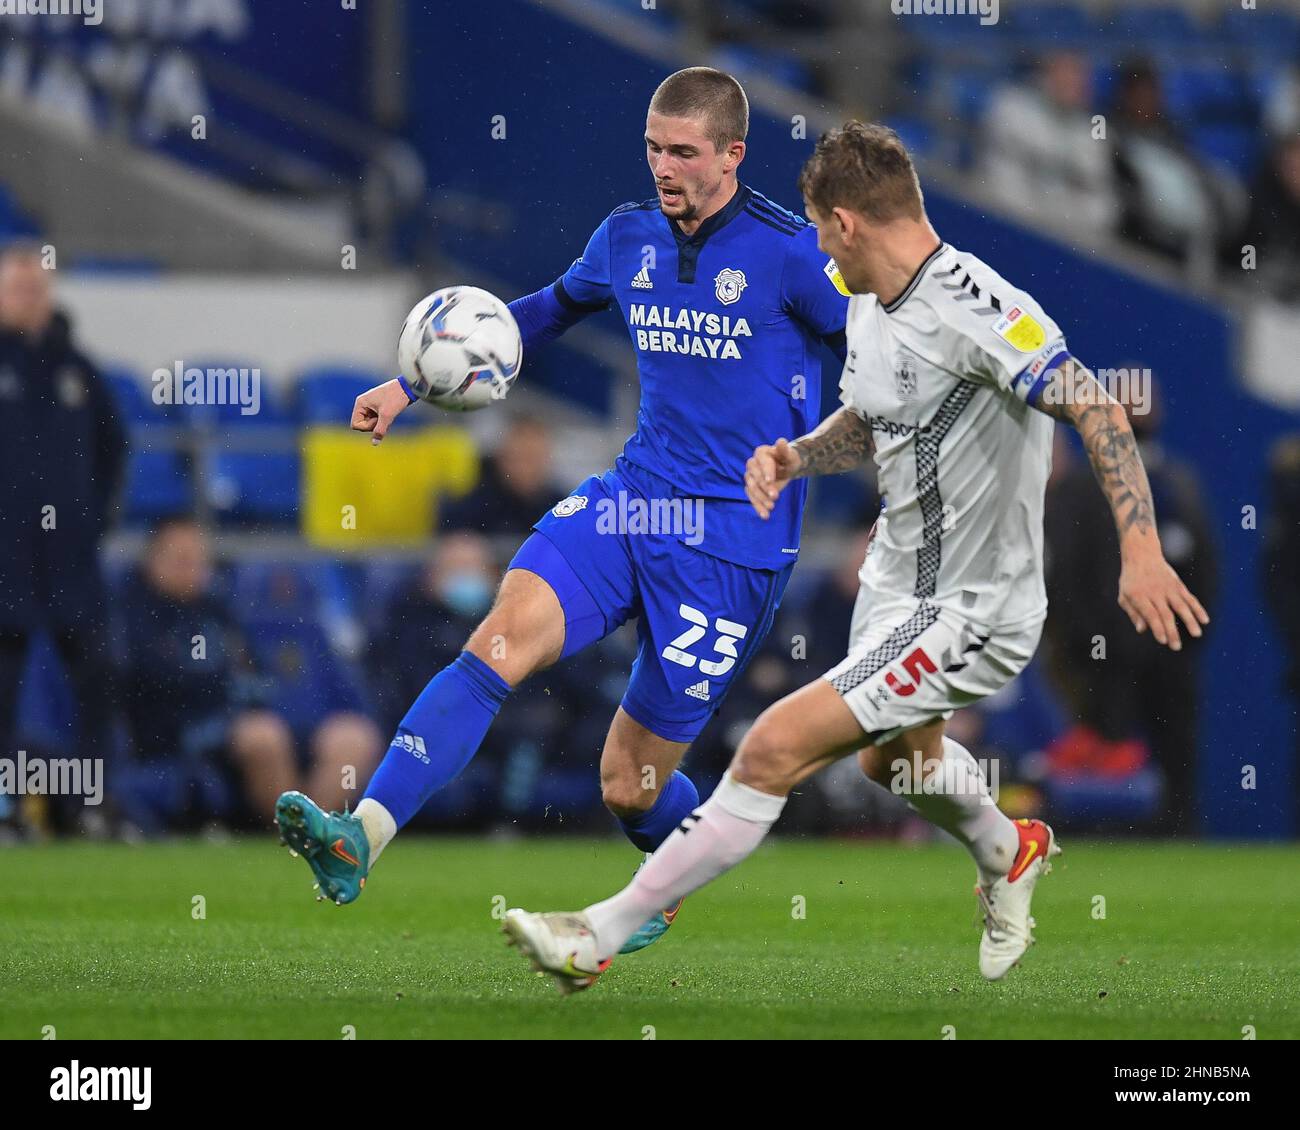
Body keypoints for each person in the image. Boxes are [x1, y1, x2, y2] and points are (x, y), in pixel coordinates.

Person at [502, 121, 1208, 993]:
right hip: (895, 586)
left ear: (845, 221)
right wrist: (800, 454)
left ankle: (599, 933)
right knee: (894, 762)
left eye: (816, 229)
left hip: (975, 607)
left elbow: (1098, 409)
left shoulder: (982, 311)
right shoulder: (870, 300)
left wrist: (1139, 550)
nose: (815, 252)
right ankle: (1007, 847)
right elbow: (874, 420)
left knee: (772, 745)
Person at [274, 67, 849, 957]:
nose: (663, 165)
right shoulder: (626, 237)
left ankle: (659, 882)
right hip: (630, 505)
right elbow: (543, 313)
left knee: (629, 784)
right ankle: (363, 835)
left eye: (685, 152)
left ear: (734, 155)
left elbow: (884, 371)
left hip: (730, 546)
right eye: (654, 147)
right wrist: (411, 383)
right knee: (498, 640)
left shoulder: (793, 257)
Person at [115, 518, 380, 834]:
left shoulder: (219, 612)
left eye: (197, 560)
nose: (190, 569)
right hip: (182, 731)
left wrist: (248, 696)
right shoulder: (132, 618)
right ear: (153, 561)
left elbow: (250, 673)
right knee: (264, 736)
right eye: (180, 559)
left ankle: (313, 836)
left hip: (238, 718)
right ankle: (289, 835)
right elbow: (152, 686)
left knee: (353, 737)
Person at [1042, 373, 1216, 833]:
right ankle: (1100, 854)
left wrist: (1186, 634)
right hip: (1103, 656)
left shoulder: (1177, 483)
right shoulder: (1077, 491)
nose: (1138, 411)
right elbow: (1066, 578)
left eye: (1144, 401)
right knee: (1102, 761)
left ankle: (1179, 847)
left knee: (1175, 757)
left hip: (1168, 651)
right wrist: (1089, 643)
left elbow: (1206, 566)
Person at [0, 240, 126, 833]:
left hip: (71, 562)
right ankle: (6, 807)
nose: (31, 297)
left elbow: (114, 447)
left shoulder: (78, 368)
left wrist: (91, 520)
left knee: (94, 685)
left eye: (39, 287)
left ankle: (89, 806)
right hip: (6, 561)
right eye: (19, 286)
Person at [440, 416, 562, 538]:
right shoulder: (474, 503)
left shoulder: (559, 506)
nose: (527, 468)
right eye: (521, 457)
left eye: (535, 458)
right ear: (502, 457)